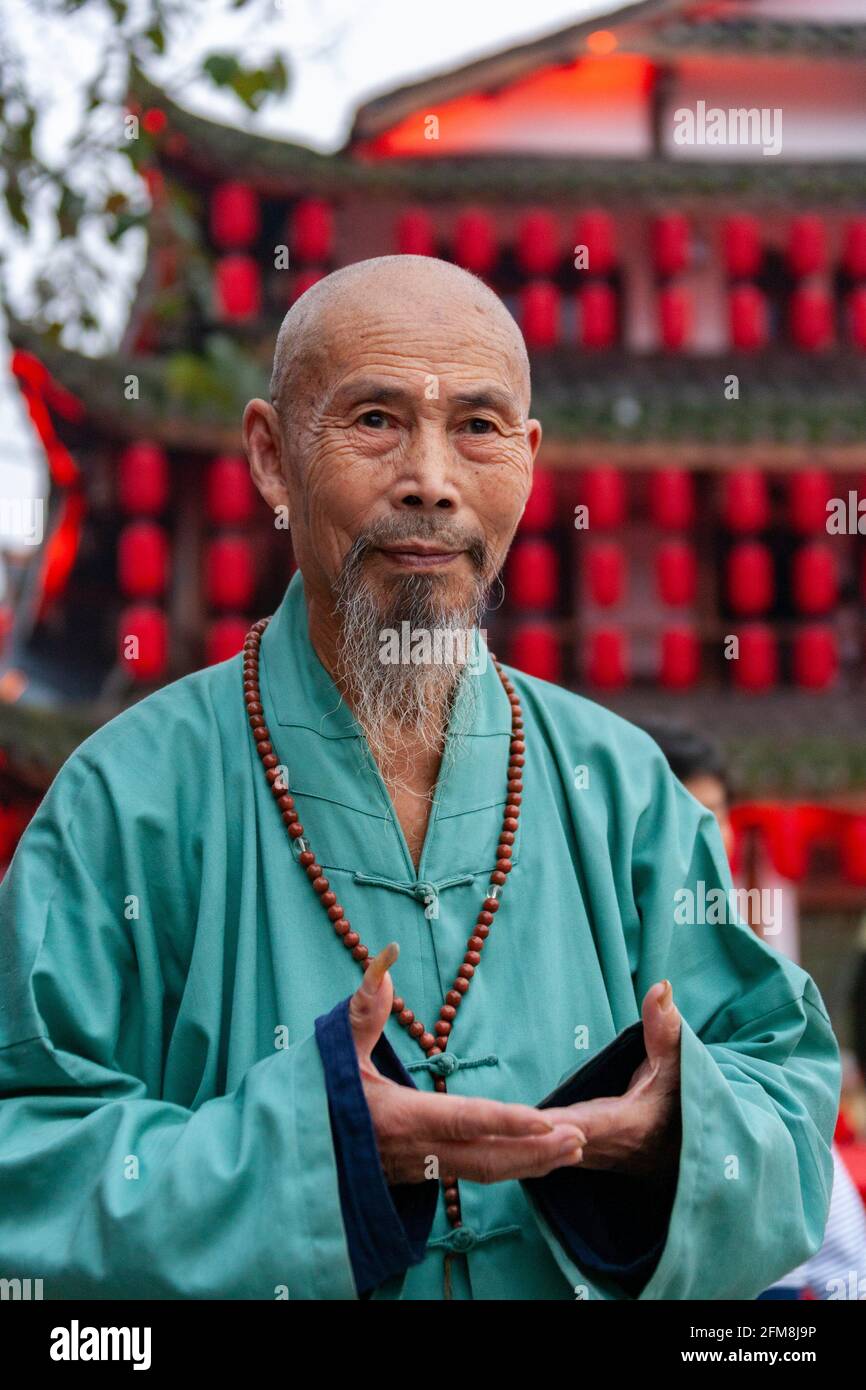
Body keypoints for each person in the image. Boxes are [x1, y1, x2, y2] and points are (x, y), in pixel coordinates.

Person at [0, 257, 840, 1300]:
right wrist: (323, 1155)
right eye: (374, 421)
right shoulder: (125, 802)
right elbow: (23, 1154)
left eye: (478, 428)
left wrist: (674, 1132)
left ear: (528, 463)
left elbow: (783, 1093)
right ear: (269, 456)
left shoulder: (624, 793)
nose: (430, 480)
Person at [641, 719, 866, 1301]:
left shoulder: (754, 908)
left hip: (767, 1189)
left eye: (715, 814)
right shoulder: (619, 934)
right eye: (682, 814)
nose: (704, 834)